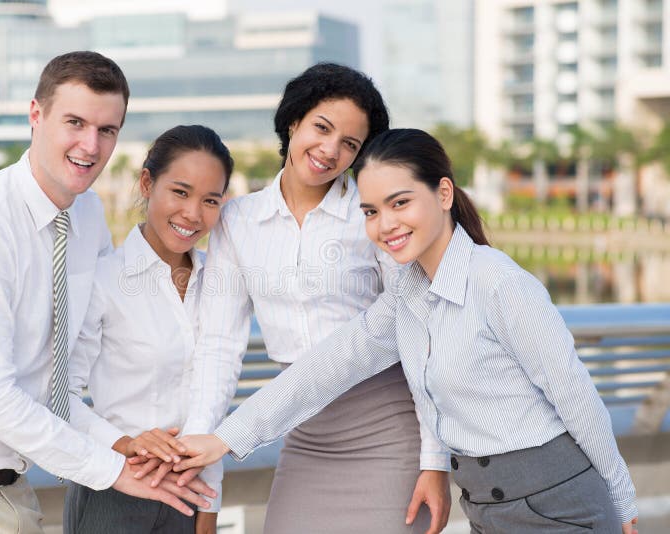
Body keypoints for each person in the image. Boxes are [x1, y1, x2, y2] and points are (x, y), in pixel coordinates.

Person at [175, 128, 640, 534]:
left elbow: (577, 398)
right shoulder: (408, 296)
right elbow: (326, 367)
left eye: (400, 203)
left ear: (443, 194)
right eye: (372, 211)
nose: (386, 225)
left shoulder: (497, 282)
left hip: (560, 505)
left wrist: (622, 504)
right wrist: (225, 438)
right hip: (487, 507)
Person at [0, 51, 213, 534]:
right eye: (74, 122)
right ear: (36, 115)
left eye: (107, 130)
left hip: (8, 491)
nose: (90, 145)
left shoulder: (89, 218)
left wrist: (122, 444)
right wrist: (113, 471)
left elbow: (54, 389)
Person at [138, 64, 451, 534]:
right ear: (293, 122)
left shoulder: (370, 215)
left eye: (350, 143)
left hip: (390, 434)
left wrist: (435, 459)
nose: (330, 150)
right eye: (321, 128)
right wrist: (203, 465)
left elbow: (416, 333)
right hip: (304, 435)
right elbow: (218, 349)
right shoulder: (237, 220)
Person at [63, 125, 233, 534]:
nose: (193, 214)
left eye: (210, 200)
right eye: (180, 191)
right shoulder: (102, 279)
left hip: (190, 501)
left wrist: (209, 512)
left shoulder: (223, 282)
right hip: (113, 493)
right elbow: (59, 397)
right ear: (147, 183)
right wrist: (126, 443)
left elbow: (213, 401)